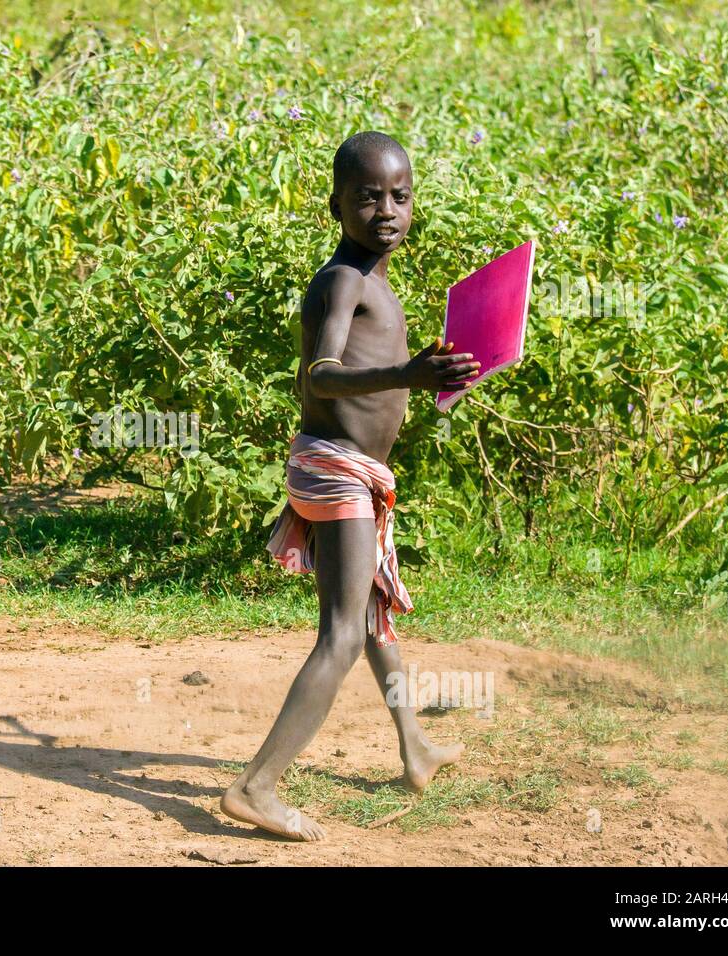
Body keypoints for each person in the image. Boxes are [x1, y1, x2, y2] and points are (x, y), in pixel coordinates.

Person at [220, 132, 478, 842]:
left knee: (368, 614)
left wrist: (437, 374)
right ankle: (255, 785)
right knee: (340, 631)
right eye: (368, 196)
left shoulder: (375, 281)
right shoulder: (344, 282)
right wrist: (407, 376)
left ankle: (414, 746)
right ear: (336, 204)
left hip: (347, 469)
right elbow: (319, 376)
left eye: (399, 195)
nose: (386, 209)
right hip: (335, 468)